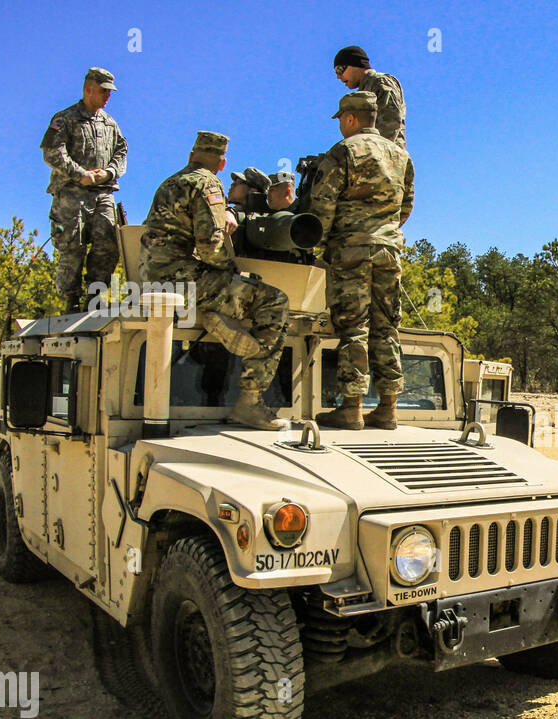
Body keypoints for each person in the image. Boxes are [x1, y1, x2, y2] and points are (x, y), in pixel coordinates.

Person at [139, 131, 291, 430]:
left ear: (191, 156)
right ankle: (249, 400)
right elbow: (211, 246)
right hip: (183, 281)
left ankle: (216, 315)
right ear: (221, 164)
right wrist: (233, 271)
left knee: (231, 290)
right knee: (275, 300)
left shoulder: (169, 183)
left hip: (154, 279)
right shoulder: (207, 182)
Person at [310, 92, 414, 430]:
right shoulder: (401, 156)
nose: (341, 125)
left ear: (351, 119)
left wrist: (320, 246)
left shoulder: (344, 151)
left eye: (341, 118)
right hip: (389, 251)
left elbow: (322, 204)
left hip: (351, 251)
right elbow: (406, 206)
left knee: (355, 326)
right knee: (387, 327)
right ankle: (388, 408)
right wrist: (384, 231)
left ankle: (352, 407)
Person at [41, 67, 127, 314]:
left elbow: (122, 151)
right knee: (72, 245)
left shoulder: (110, 123)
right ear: (88, 89)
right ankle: (71, 302)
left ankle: (96, 297)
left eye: (110, 92)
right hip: (71, 193)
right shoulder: (65, 118)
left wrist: (109, 172)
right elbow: (52, 151)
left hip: (103, 194)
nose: (107, 97)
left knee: (108, 245)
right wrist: (80, 174)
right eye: (103, 91)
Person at [333, 45, 406, 147]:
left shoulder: (380, 82)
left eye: (340, 70)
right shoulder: (364, 90)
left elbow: (390, 124)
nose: (338, 76)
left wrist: (372, 153)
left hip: (386, 157)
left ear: (355, 64)